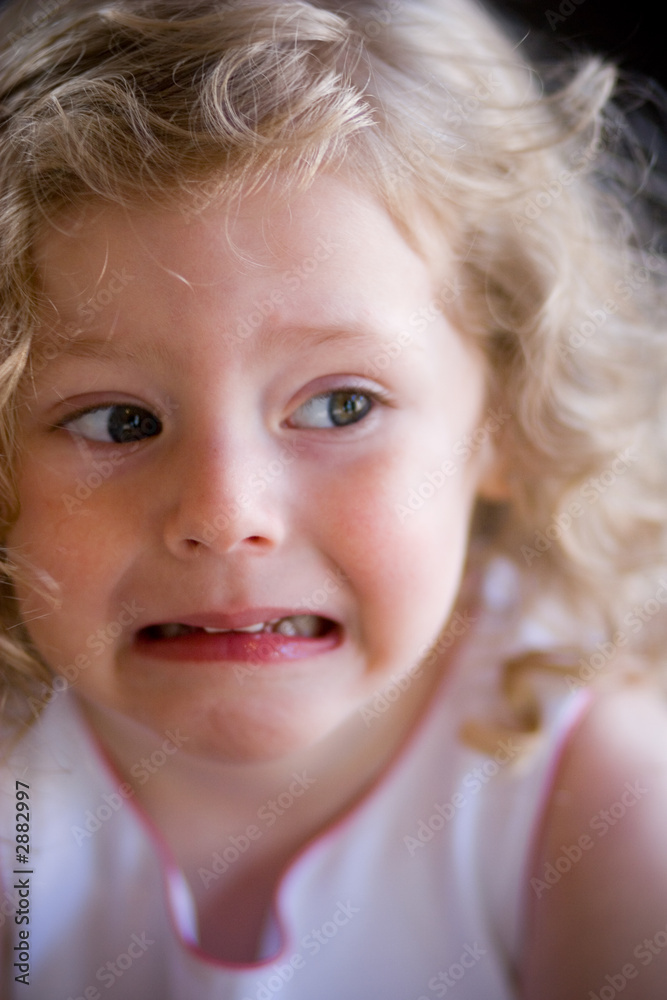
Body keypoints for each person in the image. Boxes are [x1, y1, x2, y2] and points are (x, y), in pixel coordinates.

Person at [0, 0, 666, 997]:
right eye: (118, 421)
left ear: (504, 419)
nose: (224, 513)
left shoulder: (588, 789)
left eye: (341, 403)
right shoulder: (22, 775)